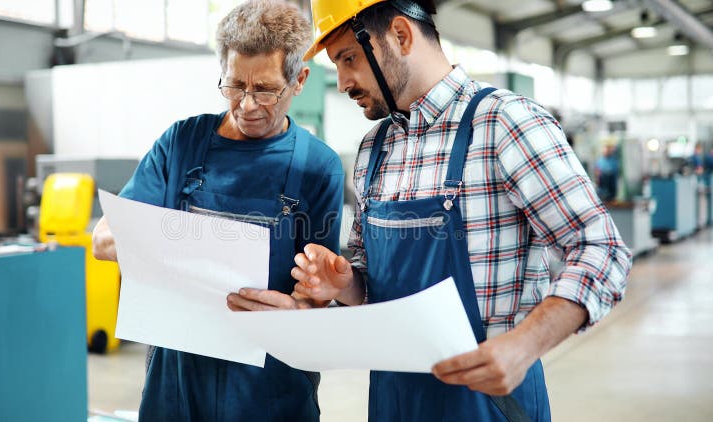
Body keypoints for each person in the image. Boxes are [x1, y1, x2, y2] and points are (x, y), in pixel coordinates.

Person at [230, 0, 631, 420]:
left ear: (400, 35)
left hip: (490, 404)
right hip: (394, 402)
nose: (343, 81)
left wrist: (524, 346)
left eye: (349, 58)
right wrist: (345, 283)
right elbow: (372, 285)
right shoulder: (374, 149)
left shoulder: (504, 123)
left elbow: (600, 248)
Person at [91, 1, 343, 420]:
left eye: (264, 90)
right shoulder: (180, 143)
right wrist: (195, 253)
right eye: (234, 86)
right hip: (176, 381)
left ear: (299, 80)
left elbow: (319, 297)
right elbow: (104, 240)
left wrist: (295, 312)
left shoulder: (317, 167)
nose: (246, 105)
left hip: (270, 385)